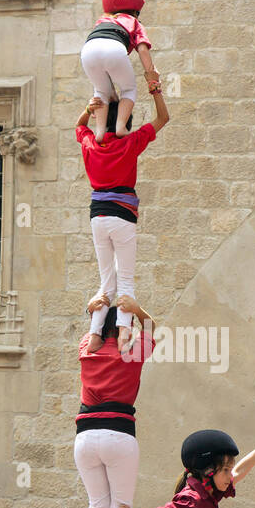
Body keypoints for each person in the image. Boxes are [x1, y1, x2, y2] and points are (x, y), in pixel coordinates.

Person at [75, 77, 169, 349]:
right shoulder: (131, 143)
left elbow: (79, 127)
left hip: (97, 217)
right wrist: (156, 91)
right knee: (125, 277)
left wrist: (88, 110)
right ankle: (124, 332)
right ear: (126, 124)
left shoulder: (91, 143)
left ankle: (95, 335)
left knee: (107, 280)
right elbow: (164, 118)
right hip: (123, 216)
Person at [73, 297, 157, 508]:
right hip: (119, 434)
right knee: (120, 507)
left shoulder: (88, 348)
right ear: (124, 326)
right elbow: (151, 325)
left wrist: (92, 309)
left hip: (85, 437)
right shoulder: (132, 353)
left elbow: (93, 330)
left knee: (96, 505)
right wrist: (135, 309)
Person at [80, 0, 159, 139]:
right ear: (135, 9)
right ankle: (121, 127)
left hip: (88, 49)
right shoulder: (133, 22)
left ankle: (100, 132)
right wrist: (151, 76)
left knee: (101, 90)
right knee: (129, 89)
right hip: (114, 47)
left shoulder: (103, 20)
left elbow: (101, 57)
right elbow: (142, 50)